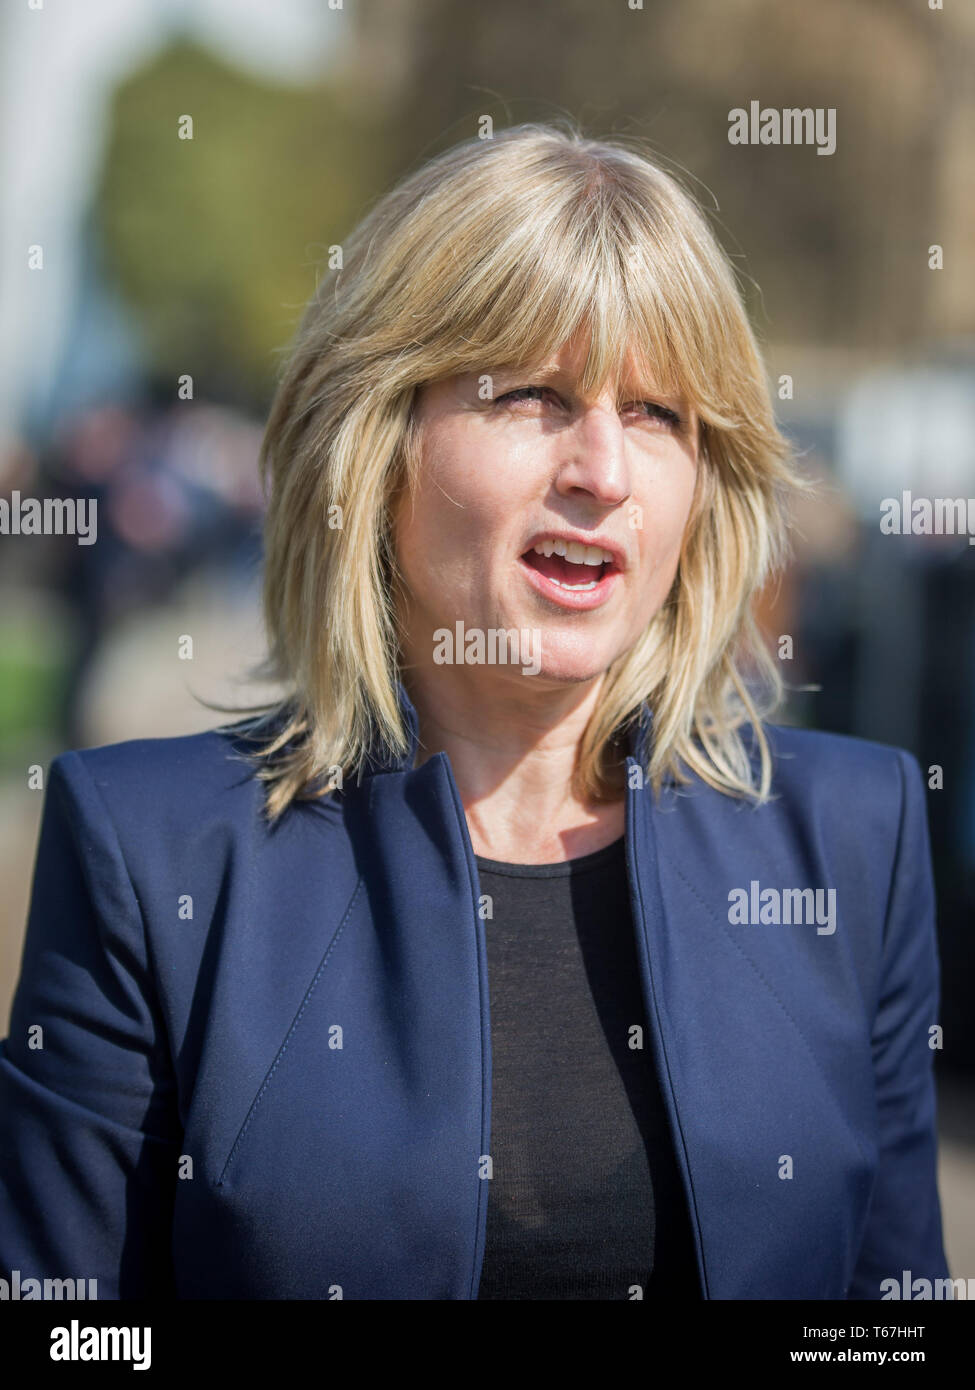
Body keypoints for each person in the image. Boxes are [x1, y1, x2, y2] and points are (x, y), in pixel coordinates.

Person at [0, 122, 950, 1300]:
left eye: (659, 413)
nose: (602, 469)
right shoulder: (151, 854)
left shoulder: (851, 840)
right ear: (376, 443)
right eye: (536, 396)